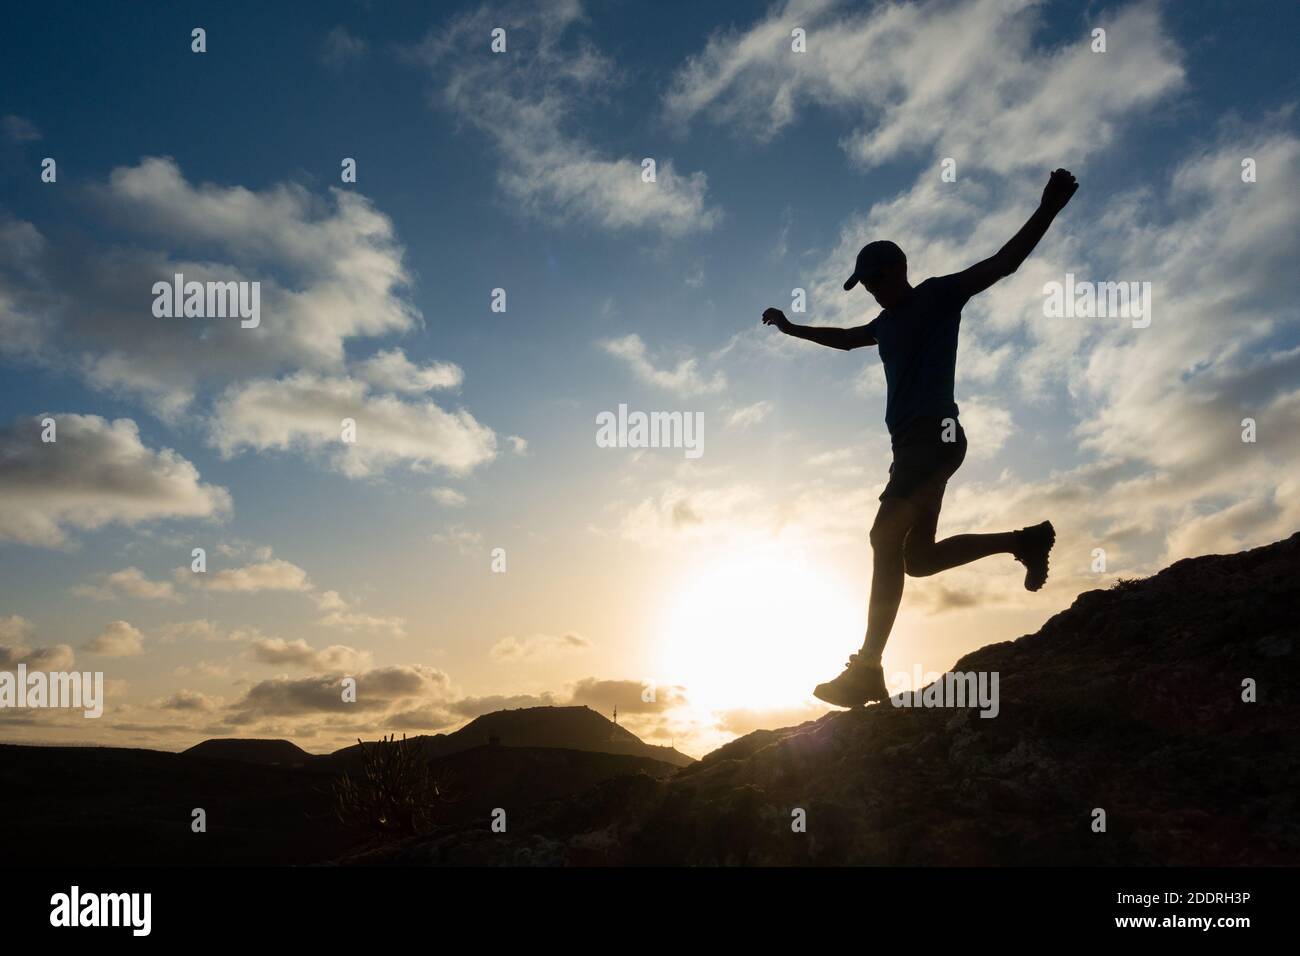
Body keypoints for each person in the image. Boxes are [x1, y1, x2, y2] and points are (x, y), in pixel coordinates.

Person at [762, 168, 1079, 707]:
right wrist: (793, 328)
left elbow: (1002, 264)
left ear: (897, 270)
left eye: (876, 280)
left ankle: (866, 668)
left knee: (883, 537)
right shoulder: (883, 325)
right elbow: (844, 340)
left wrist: (1047, 208)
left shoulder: (936, 296)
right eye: (865, 286)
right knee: (918, 559)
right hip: (911, 449)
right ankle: (1024, 541)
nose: (873, 292)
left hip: (937, 437)